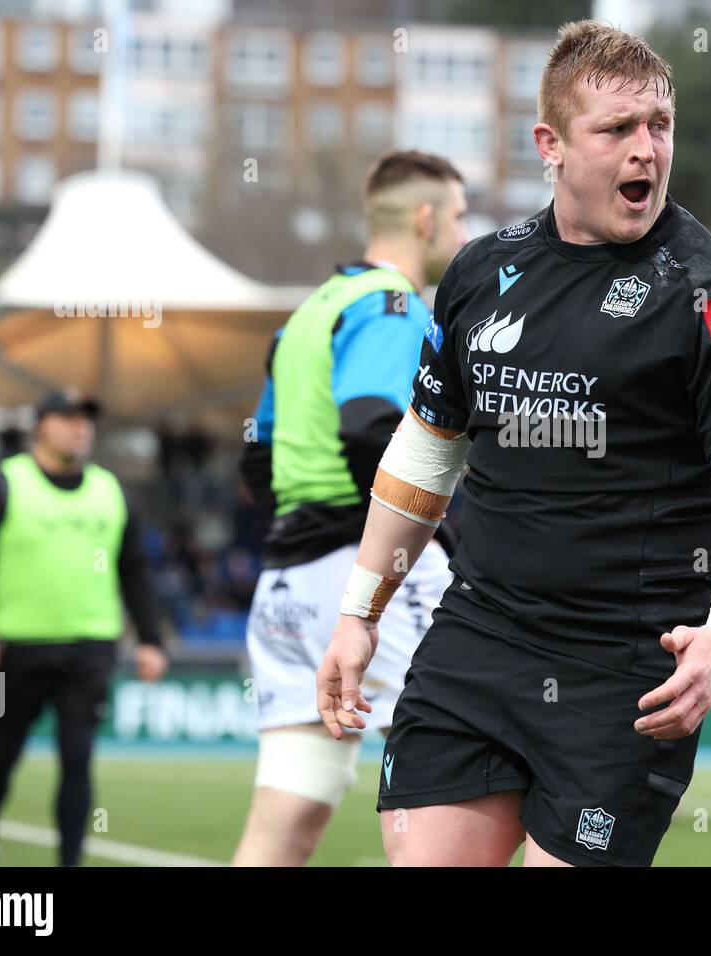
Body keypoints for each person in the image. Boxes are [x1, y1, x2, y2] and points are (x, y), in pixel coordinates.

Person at [317, 21, 711, 867]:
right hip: (477, 641)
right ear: (551, 144)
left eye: (659, 125)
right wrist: (360, 613)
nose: (645, 150)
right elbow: (427, 455)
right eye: (616, 129)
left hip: (625, 677)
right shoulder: (477, 271)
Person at [231, 150, 469, 866]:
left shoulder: (307, 313)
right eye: (458, 217)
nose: (464, 233)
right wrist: (422, 538)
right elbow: (369, 424)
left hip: (287, 582)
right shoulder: (394, 305)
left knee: (286, 818)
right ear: (425, 219)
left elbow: (256, 460)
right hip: (366, 576)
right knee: (439, 801)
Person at [0, 389, 168, 866]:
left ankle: (69, 862)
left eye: (86, 420)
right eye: (68, 418)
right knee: (1, 757)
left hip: (89, 646)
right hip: (14, 648)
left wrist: (150, 639)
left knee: (77, 758)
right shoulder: (4, 484)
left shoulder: (110, 491)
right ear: (41, 426)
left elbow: (134, 570)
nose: (80, 428)